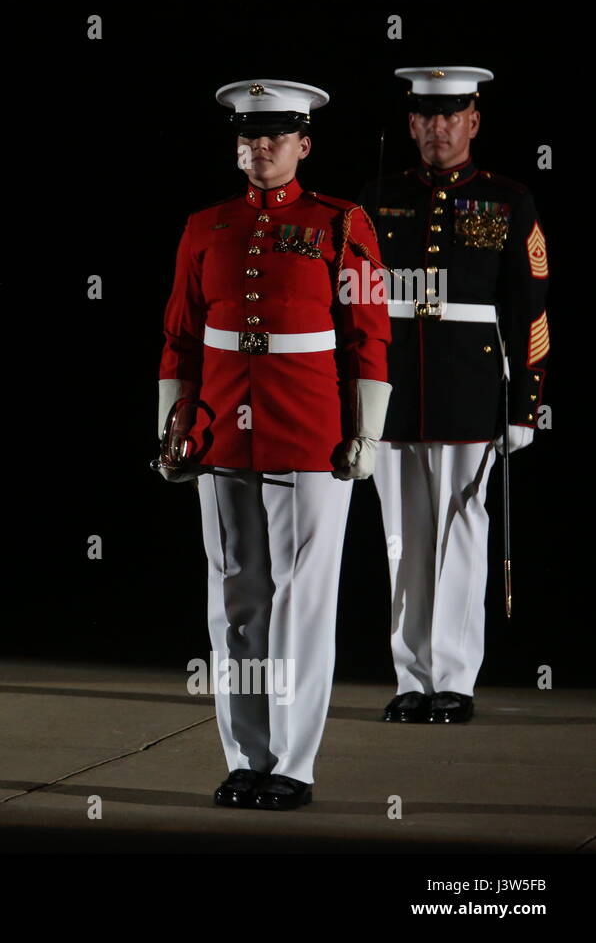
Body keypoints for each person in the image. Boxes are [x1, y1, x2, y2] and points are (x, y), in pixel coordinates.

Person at [157, 79, 391, 810]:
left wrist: (369, 431)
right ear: (236, 143)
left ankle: (293, 762)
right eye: (249, 136)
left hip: (311, 428)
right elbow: (179, 337)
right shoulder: (206, 225)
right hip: (222, 427)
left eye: (276, 135)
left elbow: (369, 334)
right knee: (235, 600)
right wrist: (173, 426)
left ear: (303, 144)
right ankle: (245, 756)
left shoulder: (343, 223)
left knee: (302, 601)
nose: (261, 147)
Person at [358, 67, 550, 725]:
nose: (438, 128)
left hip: (473, 385)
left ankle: (455, 680)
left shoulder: (507, 200)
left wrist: (524, 404)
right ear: (411, 124)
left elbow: (530, 311)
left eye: (452, 115)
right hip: (395, 388)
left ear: (473, 121)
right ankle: (411, 678)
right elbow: (355, 304)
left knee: (463, 534)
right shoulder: (377, 197)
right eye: (426, 117)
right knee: (401, 539)